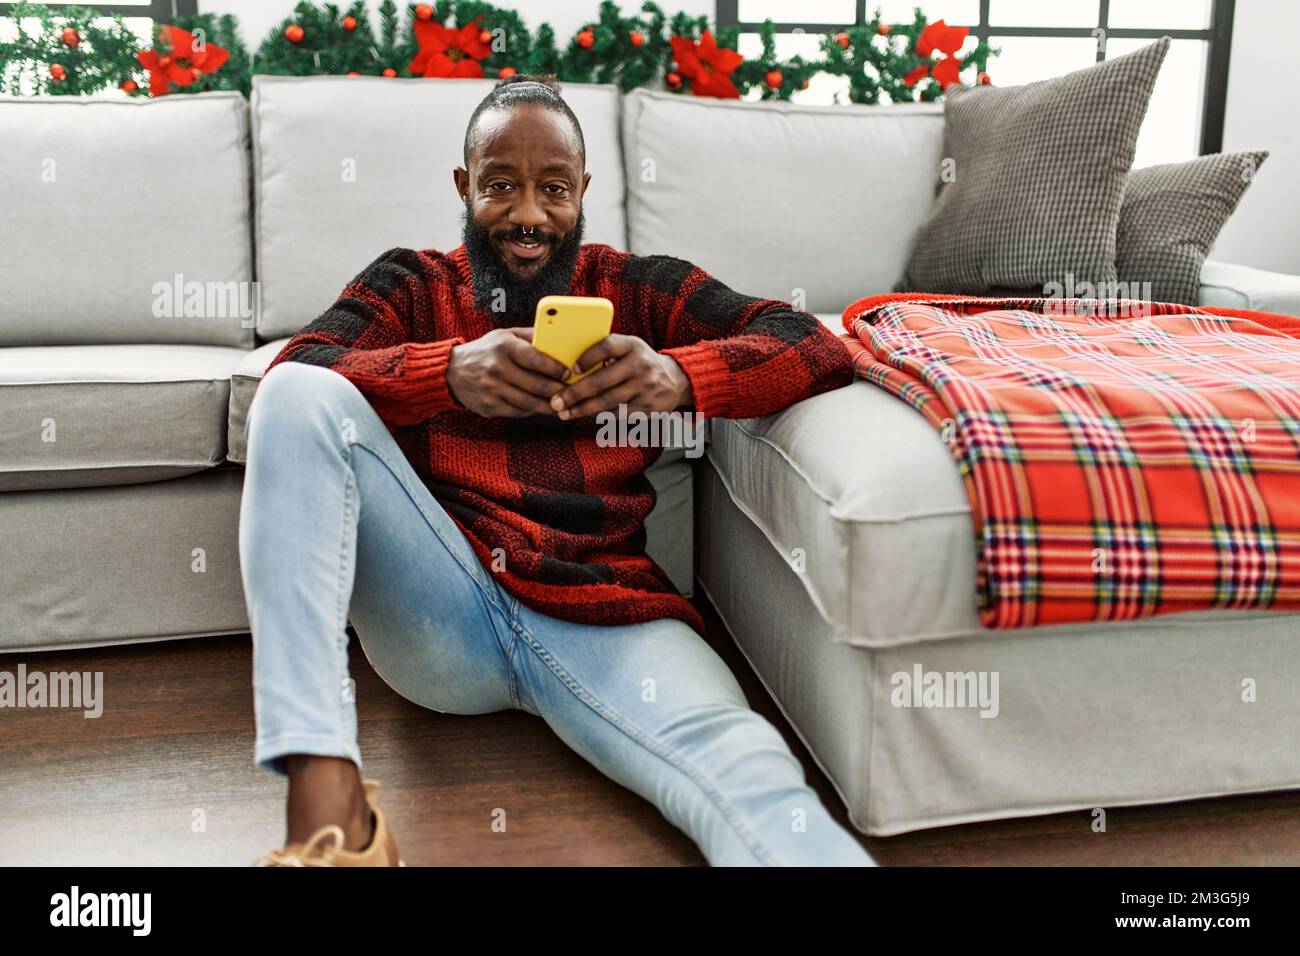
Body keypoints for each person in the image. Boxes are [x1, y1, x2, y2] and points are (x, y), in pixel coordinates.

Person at [241, 73, 873, 867]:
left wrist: (681, 376)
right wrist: (446, 373)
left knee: (749, 776)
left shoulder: (638, 288)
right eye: (501, 186)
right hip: (443, 610)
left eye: (554, 188)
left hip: (607, 616)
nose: (529, 214)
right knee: (300, 391)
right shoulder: (409, 283)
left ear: (584, 192)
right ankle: (328, 805)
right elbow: (295, 381)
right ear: (465, 187)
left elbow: (813, 344)